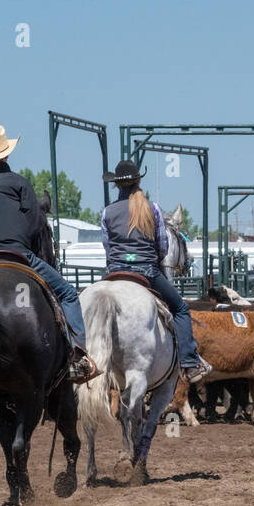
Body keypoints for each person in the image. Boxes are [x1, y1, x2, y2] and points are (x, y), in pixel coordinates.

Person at [0, 124, 98, 383]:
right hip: (16, 255)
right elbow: (34, 225)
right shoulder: (20, 184)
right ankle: (78, 357)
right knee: (66, 293)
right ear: (6, 154)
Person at [99, 159, 211, 382]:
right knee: (180, 309)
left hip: (115, 270)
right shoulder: (153, 209)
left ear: (116, 185)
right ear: (138, 181)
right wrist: (153, 261)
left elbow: (107, 245)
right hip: (146, 271)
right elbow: (162, 245)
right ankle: (189, 362)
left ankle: (80, 357)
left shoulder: (107, 212)